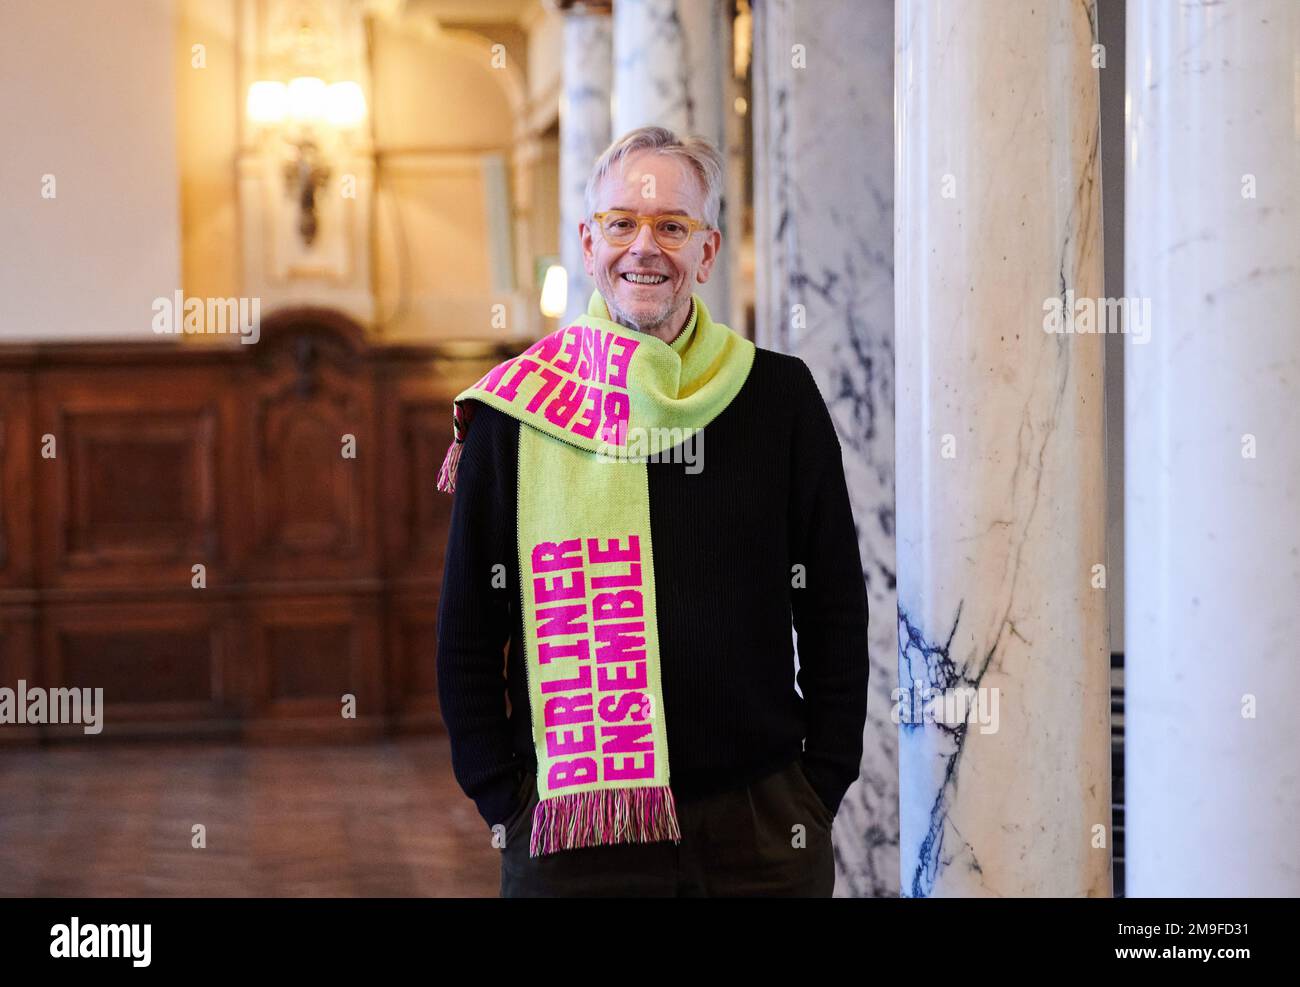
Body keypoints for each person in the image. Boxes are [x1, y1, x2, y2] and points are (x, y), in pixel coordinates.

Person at [435, 126, 870, 897]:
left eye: (672, 225)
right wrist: (506, 799)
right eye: (623, 224)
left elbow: (834, 604)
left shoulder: (777, 397)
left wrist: (819, 782)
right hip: (574, 829)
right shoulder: (516, 411)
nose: (645, 247)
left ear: (706, 252)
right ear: (588, 241)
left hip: (760, 824)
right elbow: (469, 632)